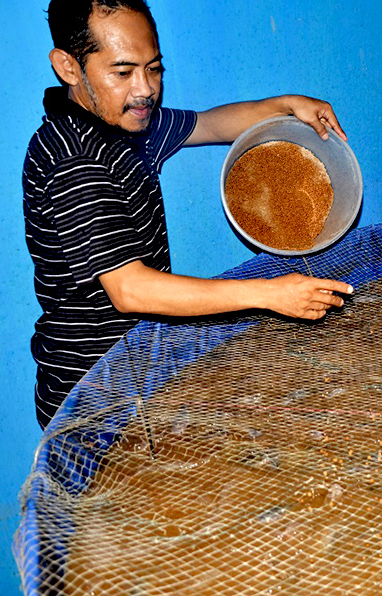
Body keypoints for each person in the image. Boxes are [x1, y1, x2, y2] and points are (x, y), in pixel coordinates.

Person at [23, 0, 353, 430]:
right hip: (93, 398)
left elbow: (210, 124)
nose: (145, 89)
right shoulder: (74, 159)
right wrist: (270, 294)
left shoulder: (126, 122)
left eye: (154, 69)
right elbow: (130, 290)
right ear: (68, 67)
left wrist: (287, 105)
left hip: (143, 367)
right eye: (122, 72)